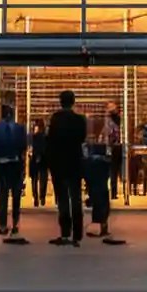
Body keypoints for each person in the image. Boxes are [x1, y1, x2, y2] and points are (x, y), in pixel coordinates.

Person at [47, 90, 88, 246]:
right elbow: (82, 138)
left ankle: (65, 233)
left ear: (60, 101)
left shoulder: (56, 119)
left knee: (63, 199)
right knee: (76, 198)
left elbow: (50, 141)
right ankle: (77, 234)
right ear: (73, 102)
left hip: (59, 164)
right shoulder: (80, 120)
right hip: (75, 163)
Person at [0, 103, 28, 237]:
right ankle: (15, 223)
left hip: (0, 163)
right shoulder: (19, 128)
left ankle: (3, 225)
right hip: (15, 163)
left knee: (3, 194)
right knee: (16, 195)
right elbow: (23, 146)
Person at [102, 101, 123, 200]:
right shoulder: (108, 120)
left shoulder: (118, 118)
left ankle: (114, 192)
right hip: (112, 147)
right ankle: (112, 192)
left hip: (118, 147)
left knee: (115, 170)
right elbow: (108, 133)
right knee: (112, 170)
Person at [29, 119, 49, 207]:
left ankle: (36, 198)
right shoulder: (46, 137)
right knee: (43, 179)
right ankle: (42, 197)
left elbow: (31, 148)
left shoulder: (33, 136)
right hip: (44, 160)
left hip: (34, 159)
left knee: (34, 179)